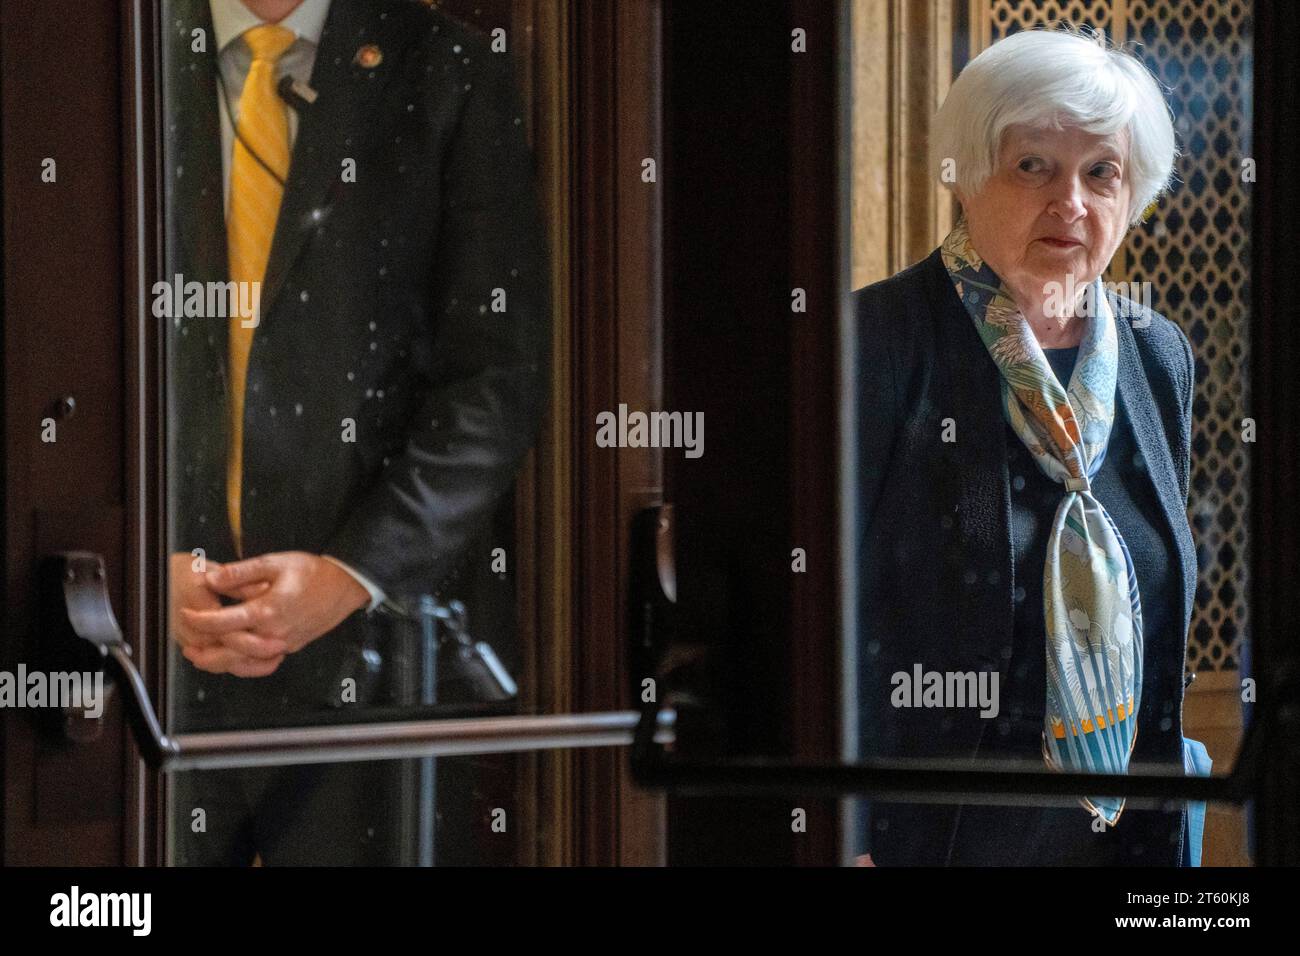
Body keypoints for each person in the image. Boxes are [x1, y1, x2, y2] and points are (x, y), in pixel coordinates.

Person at [162, 0, 550, 864]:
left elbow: (496, 381)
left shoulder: (447, 67)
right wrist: (138, 565)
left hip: (377, 670)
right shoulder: (113, 63)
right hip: (142, 677)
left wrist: (350, 573)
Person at [853, 26, 1207, 866]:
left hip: (1127, 842)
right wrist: (849, 835)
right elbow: (816, 619)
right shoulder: (874, 343)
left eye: (1101, 173)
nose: (1072, 204)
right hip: (933, 838)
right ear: (968, 177)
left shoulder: (1157, 354)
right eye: (1033, 167)